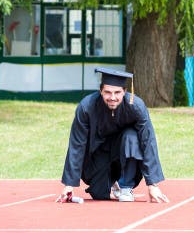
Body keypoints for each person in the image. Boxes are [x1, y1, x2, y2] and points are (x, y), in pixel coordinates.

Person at [59, 67, 169, 203]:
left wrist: (153, 185)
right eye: (107, 92)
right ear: (100, 91)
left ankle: (125, 186)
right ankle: (112, 183)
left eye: (117, 92)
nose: (112, 97)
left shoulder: (136, 107)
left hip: (126, 155)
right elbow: (77, 144)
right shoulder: (86, 107)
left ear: (125, 92)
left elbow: (148, 141)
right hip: (98, 154)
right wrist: (69, 185)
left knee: (131, 137)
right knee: (99, 194)